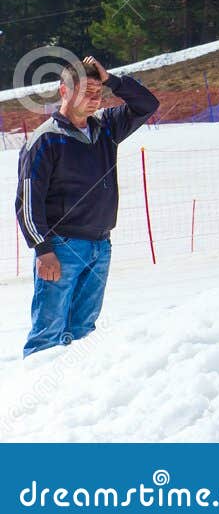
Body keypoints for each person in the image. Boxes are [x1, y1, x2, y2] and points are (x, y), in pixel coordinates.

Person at [14, 55, 160, 356]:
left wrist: (113, 81)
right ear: (64, 91)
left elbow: (147, 105)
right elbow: (28, 202)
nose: (94, 99)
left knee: (82, 331)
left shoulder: (106, 127)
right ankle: (37, 395)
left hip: (100, 245)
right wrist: (43, 249)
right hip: (61, 247)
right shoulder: (45, 139)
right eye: (86, 91)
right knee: (48, 333)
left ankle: (76, 397)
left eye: (98, 93)